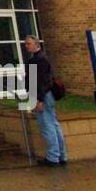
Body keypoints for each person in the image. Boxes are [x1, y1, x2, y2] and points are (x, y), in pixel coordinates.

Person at [24, 35, 67, 166]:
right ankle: (61, 155)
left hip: (42, 96)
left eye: (29, 43)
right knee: (53, 125)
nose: (26, 46)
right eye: (26, 44)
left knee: (47, 126)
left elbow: (41, 82)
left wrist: (39, 100)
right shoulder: (40, 59)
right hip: (45, 95)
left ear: (36, 44)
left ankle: (53, 157)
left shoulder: (38, 60)